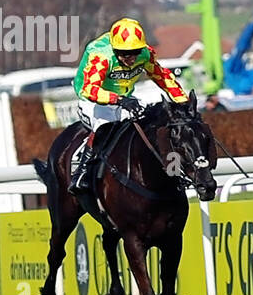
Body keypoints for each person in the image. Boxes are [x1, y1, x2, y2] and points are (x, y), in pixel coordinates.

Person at [69, 17, 189, 194]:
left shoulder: (145, 54)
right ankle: (82, 172)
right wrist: (119, 100)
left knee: (151, 125)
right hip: (91, 100)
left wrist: (184, 103)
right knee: (104, 126)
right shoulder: (101, 56)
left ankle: (171, 170)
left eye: (135, 52)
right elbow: (90, 89)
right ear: (115, 50)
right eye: (125, 54)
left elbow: (162, 77)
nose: (131, 58)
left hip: (124, 99)